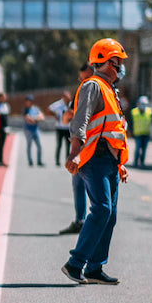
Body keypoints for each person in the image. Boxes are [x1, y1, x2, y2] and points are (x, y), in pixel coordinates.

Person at [61, 38, 130, 285]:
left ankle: (94, 268)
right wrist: (74, 152)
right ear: (107, 61)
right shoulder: (93, 86)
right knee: (102, 210)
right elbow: (80, 120)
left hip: (109, 160)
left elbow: (113, 130)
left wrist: (119, 162)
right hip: (93, 158)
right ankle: (75, 263)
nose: (121, 65)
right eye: (118, 60)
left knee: (110, 215)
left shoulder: (110, 89)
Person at [59, 63, 94, 235]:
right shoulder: (79, 94)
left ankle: (95, 224)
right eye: (81, 79)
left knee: (94, 187)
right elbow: (65, 120)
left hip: (94, 148)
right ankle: (80, 221)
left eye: (87, 78)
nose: (83, 82)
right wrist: (69, 115)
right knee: (78, 184)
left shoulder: (101, 93)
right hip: (79, 147)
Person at [49, 90, 73, 165]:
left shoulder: (71, 104)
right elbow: (49, 109)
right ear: (63, 97)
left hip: (68, 128)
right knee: (59, 145)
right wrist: (55, 116)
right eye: (67, 97)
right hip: (60, 127)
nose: (68, 98)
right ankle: (57, 160)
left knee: (68, 145)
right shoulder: (58, 104)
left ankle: (67, 160)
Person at [130, 95, 152, 167]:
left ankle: (142, 162)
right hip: (138, 134)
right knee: (138, 148)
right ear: (139, 104)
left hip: (146, 133)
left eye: (144, 104)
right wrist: (130, 131)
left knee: (144, 149)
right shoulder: (134, 112)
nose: (143, 106)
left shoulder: (149, 111)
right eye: (141, 104)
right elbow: (130, 122)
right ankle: (135, 162)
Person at [22, 95, 45, 166]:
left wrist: (34, 119)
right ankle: (30, 161)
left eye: (31, 100)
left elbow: (42, 117)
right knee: (29, 145)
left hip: (36, 129)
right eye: (29, 101)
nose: (30, 102)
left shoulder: (36, 108)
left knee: (39, 145)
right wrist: (36, 118)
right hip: (28, 130)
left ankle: (39, 161)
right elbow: (28, 120)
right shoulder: (25, 110)